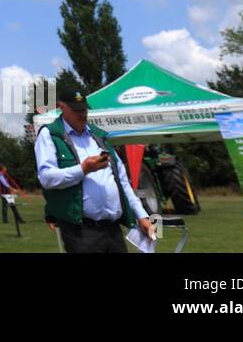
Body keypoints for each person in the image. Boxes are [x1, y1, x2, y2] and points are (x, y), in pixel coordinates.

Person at [35, 87, 154, 253]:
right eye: (76, 110)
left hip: (113, 230)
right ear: (61, 107)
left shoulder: (98, 136)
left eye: (84, 109)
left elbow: (122, 182)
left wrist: (142, 215)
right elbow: (47, 178)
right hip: (81, 232)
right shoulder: (50, 135)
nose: (82, 114)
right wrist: (83, 169)